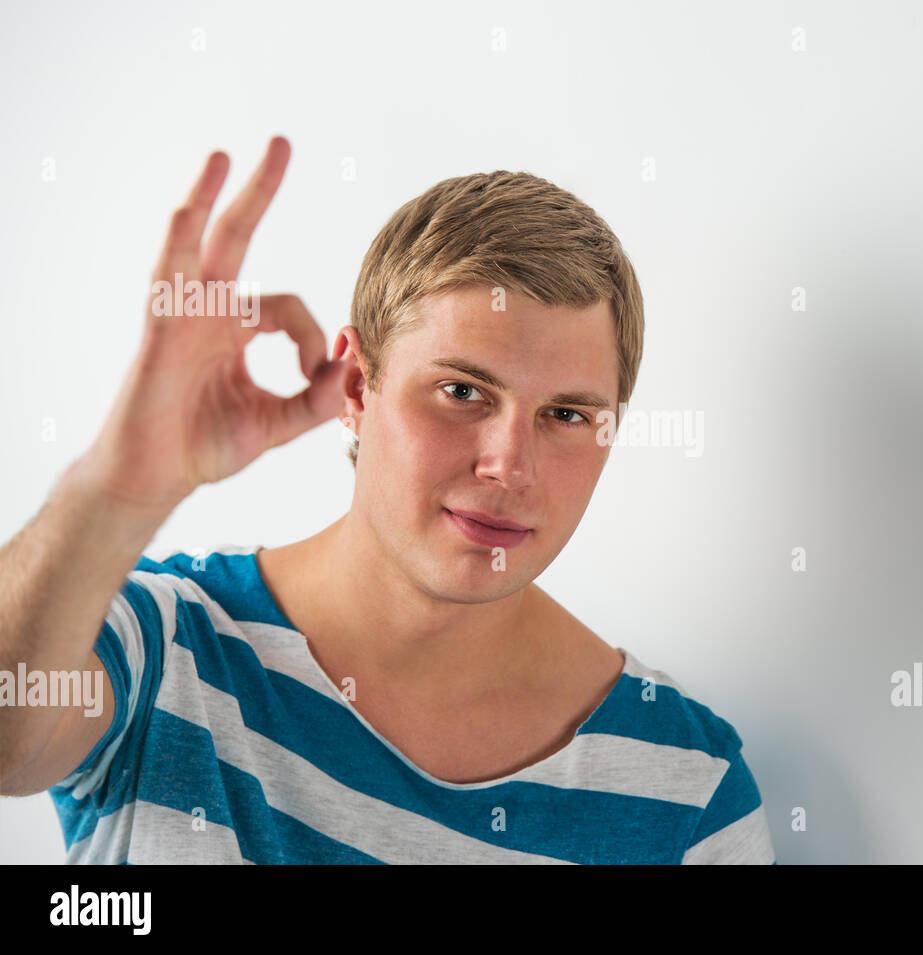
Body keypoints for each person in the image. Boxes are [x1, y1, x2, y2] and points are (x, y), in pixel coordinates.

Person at [0, 137, 777, 864]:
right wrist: (118, 483)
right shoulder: (165, 644)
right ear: (356, 388)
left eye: (566, 414)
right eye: (463, 390)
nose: (508, 463)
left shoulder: (688, 791)